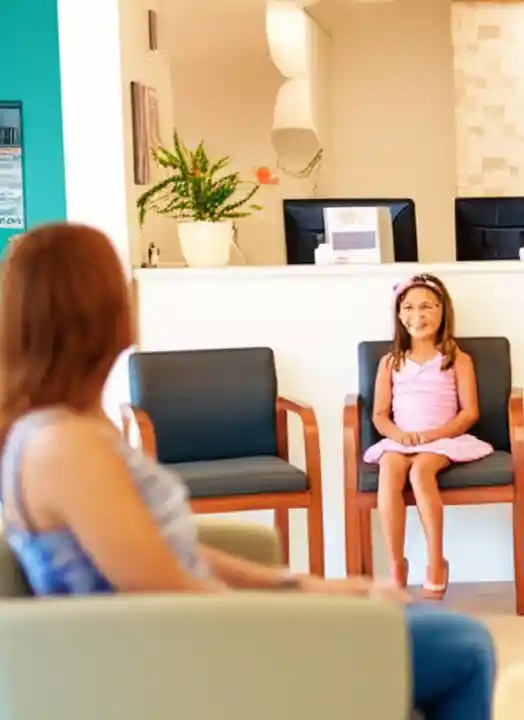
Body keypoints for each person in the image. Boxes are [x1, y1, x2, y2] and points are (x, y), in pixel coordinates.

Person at [0, 224, 496, 720]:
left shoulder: (72, 428)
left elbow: (169, 551)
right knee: (463, 646)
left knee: (421, 625)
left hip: (195, 637)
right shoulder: (64, 447)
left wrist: (308, 585)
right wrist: (305, 613)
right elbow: (165, 591)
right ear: (96, 311)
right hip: (188, 658)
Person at [363, 273, 493, 599]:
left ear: (442, 311)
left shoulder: (456, 359)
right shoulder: (390, 362)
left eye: (426, 307)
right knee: (390, 468)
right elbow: (379, 414)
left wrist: (434, 435)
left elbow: (469, 413)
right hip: (401, 440)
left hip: (443, 439)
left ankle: (436, 561)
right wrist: (399, 435)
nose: (417, 315)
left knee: (421, 471)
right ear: (398, 315)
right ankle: (396, 564)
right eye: (408, 307)